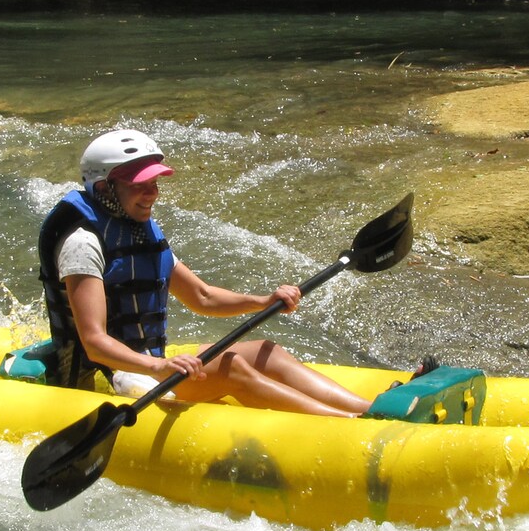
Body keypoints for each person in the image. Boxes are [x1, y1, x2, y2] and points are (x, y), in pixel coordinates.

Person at [37, 128, 372, 417]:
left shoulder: (138, 231)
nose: (152, 193)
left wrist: (263, 301)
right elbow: (94, 343)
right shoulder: (83, 244)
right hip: (112, 376)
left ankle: (372, 410)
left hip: (148, 365)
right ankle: (352, 424)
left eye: (154, 182)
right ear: (103, 189)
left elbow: (202, 296)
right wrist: (157, 366)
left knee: (266, 352)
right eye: (139, 185)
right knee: (233, 369)